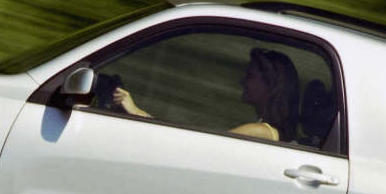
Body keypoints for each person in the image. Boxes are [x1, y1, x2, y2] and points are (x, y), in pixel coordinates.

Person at [110, 47, 300, 141]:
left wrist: (136, 112)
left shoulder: (259, 131)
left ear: (270, 85)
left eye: (250, 76)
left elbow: (198, 152)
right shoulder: (267, 130)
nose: (243, 81)